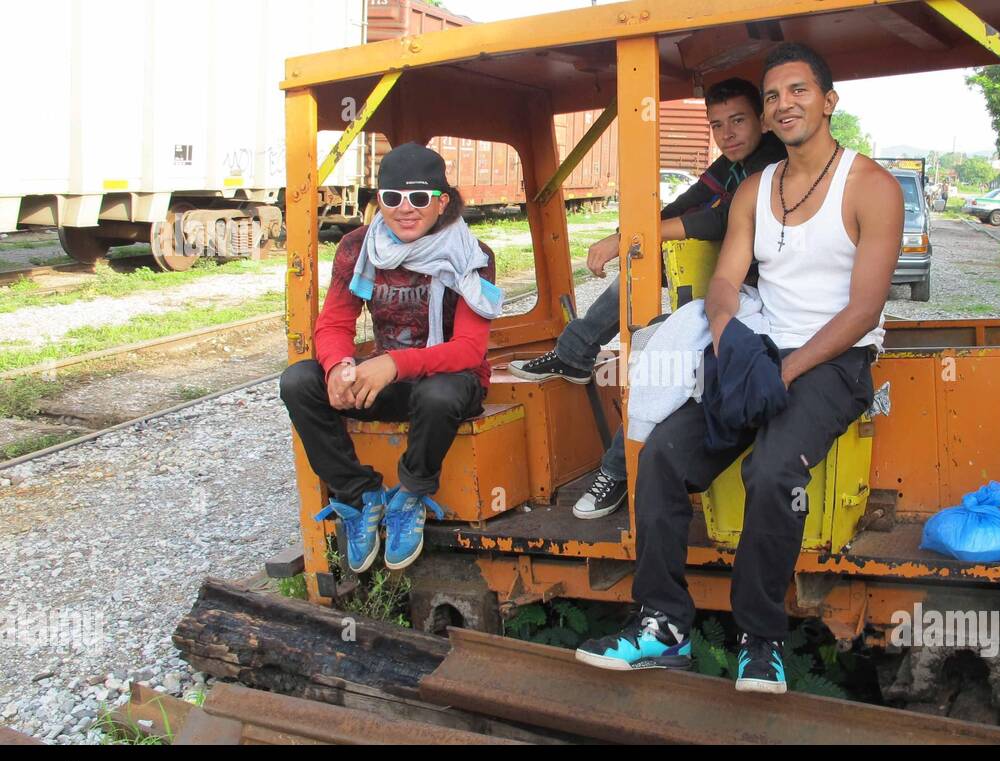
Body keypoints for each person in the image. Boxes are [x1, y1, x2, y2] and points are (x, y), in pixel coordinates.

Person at [574, 43, 902, 694]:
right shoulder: (753, 188)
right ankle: (663, 623)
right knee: (664, 452)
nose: (785, 104)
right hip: (756, 349)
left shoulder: (871, 187)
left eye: (799, 90)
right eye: (774, 95)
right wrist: (727, 334)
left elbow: (864, 310)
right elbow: (726, 281)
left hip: (833, 359)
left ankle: (762, 638)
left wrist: (787, 372)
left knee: (774, 468)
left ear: (829, 101)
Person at [507, 78, 787, 520]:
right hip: (730, 290)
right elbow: (690, 202)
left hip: (762, 300)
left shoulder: (770, 162)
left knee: (662, 359)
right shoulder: (732, 163)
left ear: (762, 121)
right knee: (643, 272)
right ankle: (575, 353)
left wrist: (632, 239)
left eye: (738, 121)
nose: (727, 133)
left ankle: (617, 472)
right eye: (717, 125)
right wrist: (630, 235)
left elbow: (719, 221)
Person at [279, 143, 500, 573]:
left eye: (419, 199)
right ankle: (359, 496)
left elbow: (470, 350)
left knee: (439, 394)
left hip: (450, 382)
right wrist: (340, 367)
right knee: (298, 382)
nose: (405, 209)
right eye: (392, 198)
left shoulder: (473, 255)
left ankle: (411, 495)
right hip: (388, 379)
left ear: (442, 203)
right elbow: (333, 323)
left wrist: (393, 364)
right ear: (378, 201)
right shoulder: (357, 248)